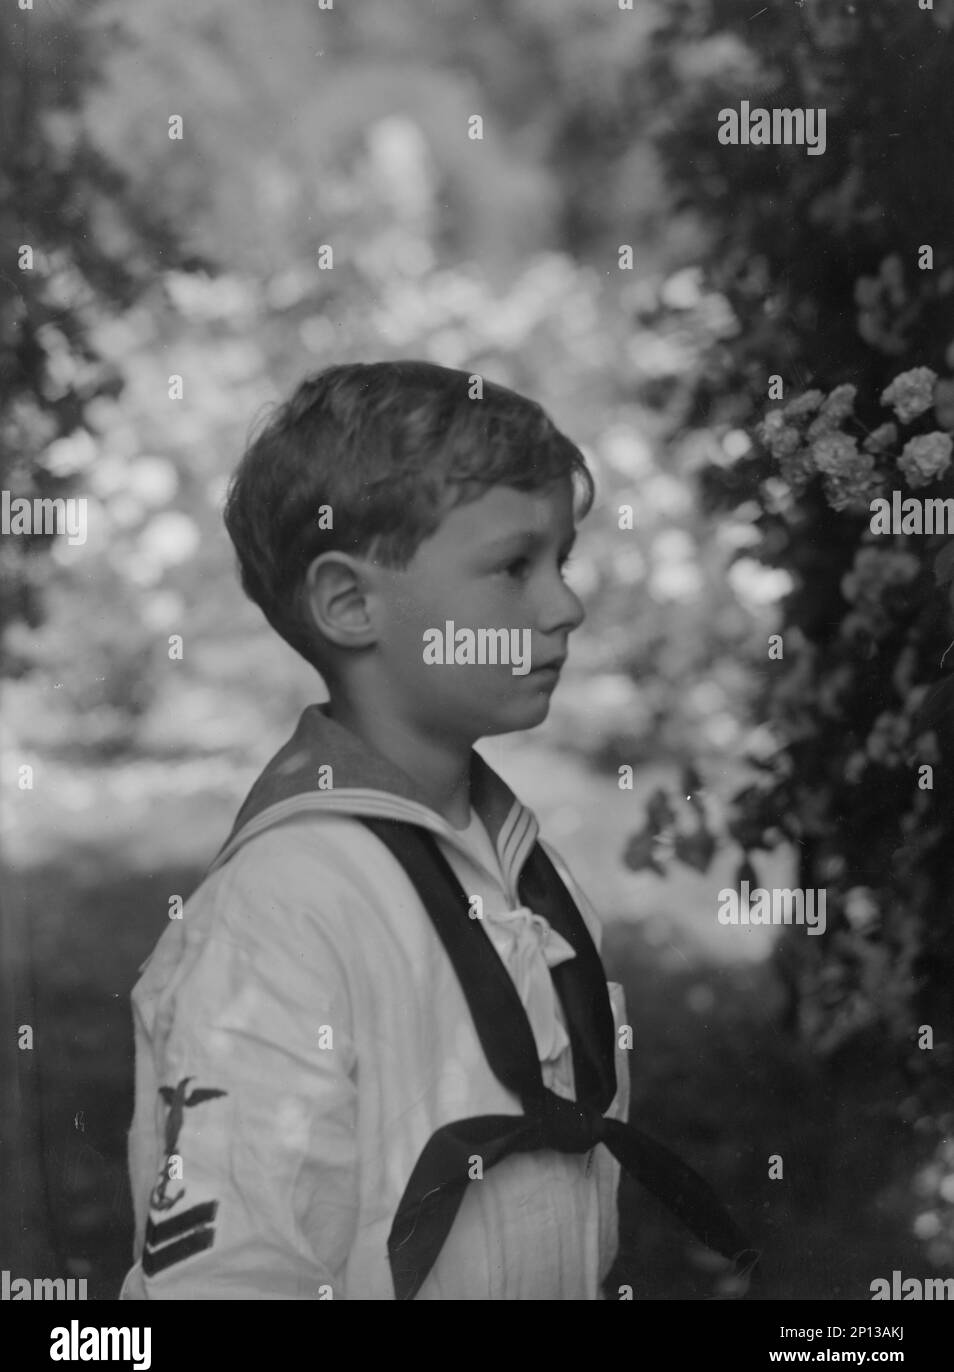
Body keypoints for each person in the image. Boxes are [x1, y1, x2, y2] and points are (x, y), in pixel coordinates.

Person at [121, 360, 750, 1300]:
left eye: (561, 562)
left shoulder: (531, 876)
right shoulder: (279, 918)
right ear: (349, 602)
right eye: (514, 568)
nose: (566, 605)